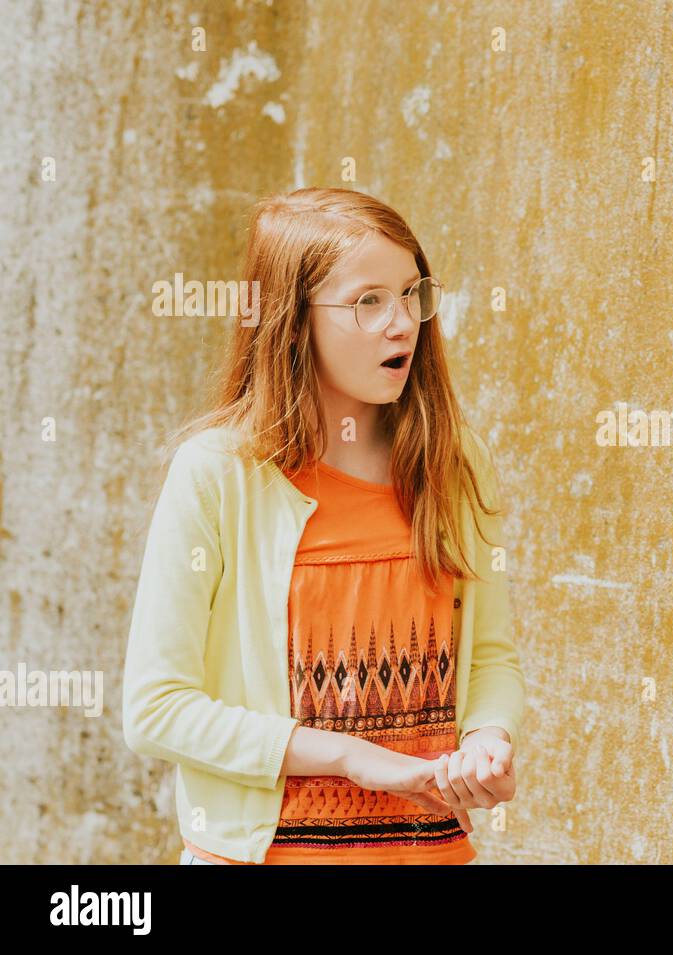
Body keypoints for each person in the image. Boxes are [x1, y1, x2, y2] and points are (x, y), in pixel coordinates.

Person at [122, 187, 524, 864]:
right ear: (291, 319)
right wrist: (350, 758)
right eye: (368, 301)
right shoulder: (218, 472)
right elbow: (156, 708)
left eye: (411, 293)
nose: (402, 323)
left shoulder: (452, 461)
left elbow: (488, 656)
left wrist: (488, 738)